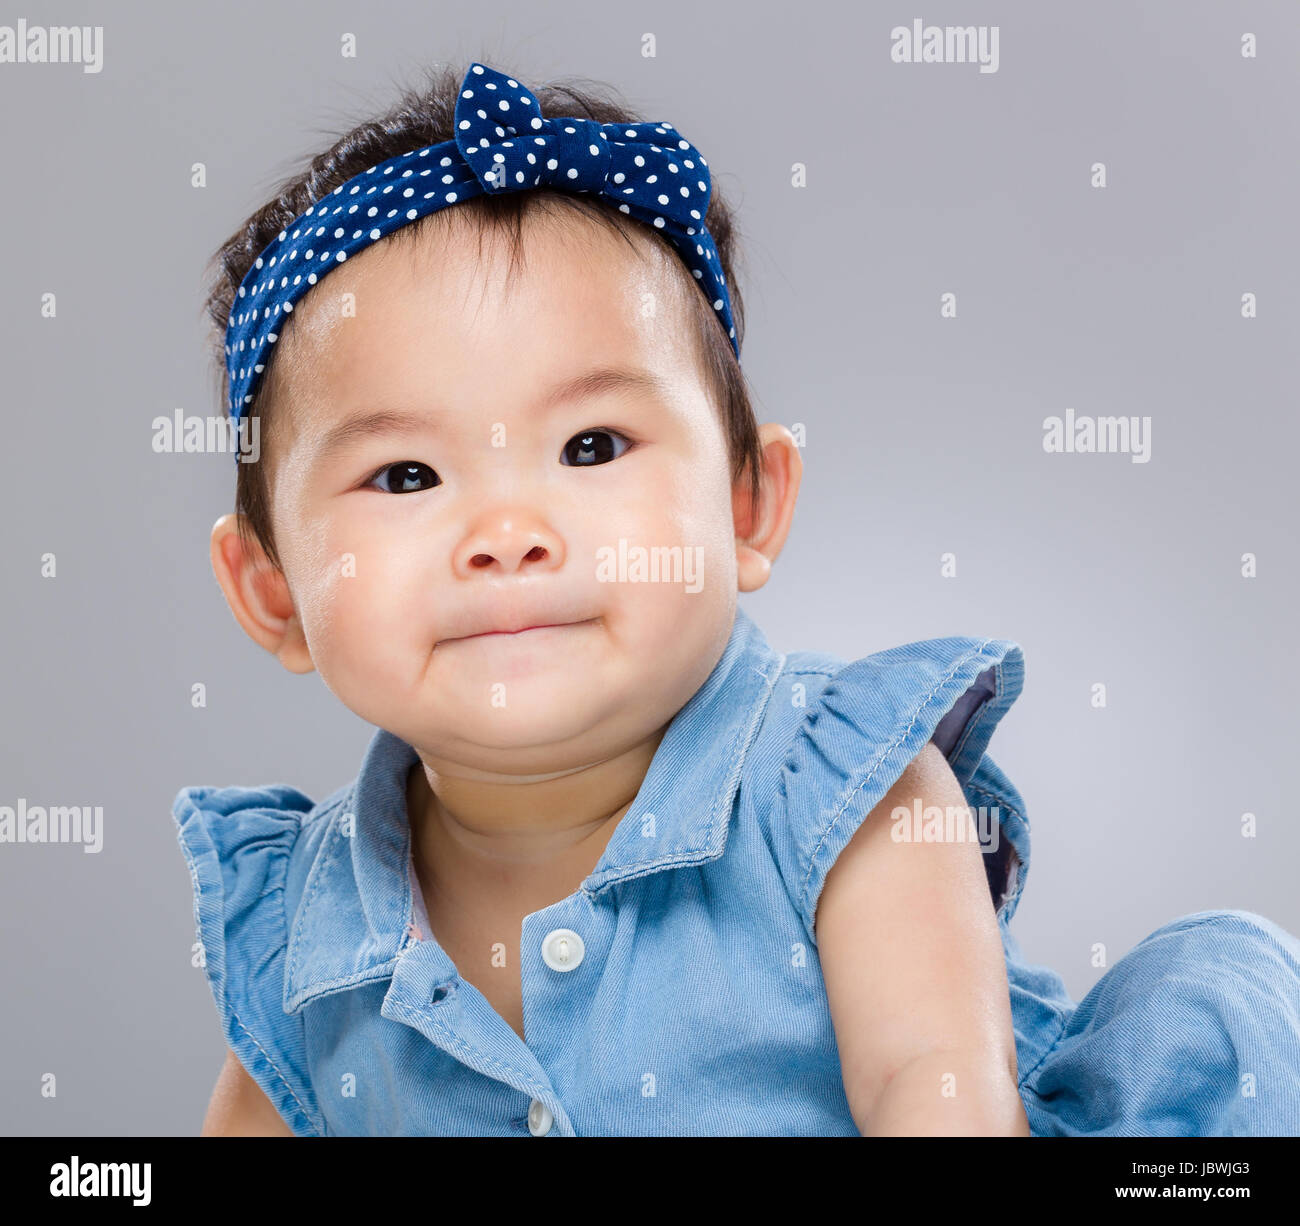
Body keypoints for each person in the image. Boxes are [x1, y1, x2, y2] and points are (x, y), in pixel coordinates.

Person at [173, 60, 1300, 1137]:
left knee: (1214, 1032)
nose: (507, 534)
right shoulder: (301, 921)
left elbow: (934, 1084)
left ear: (748, 502)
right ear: (270, 589)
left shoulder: (836, 791)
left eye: (592, 443)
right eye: (406, 475)